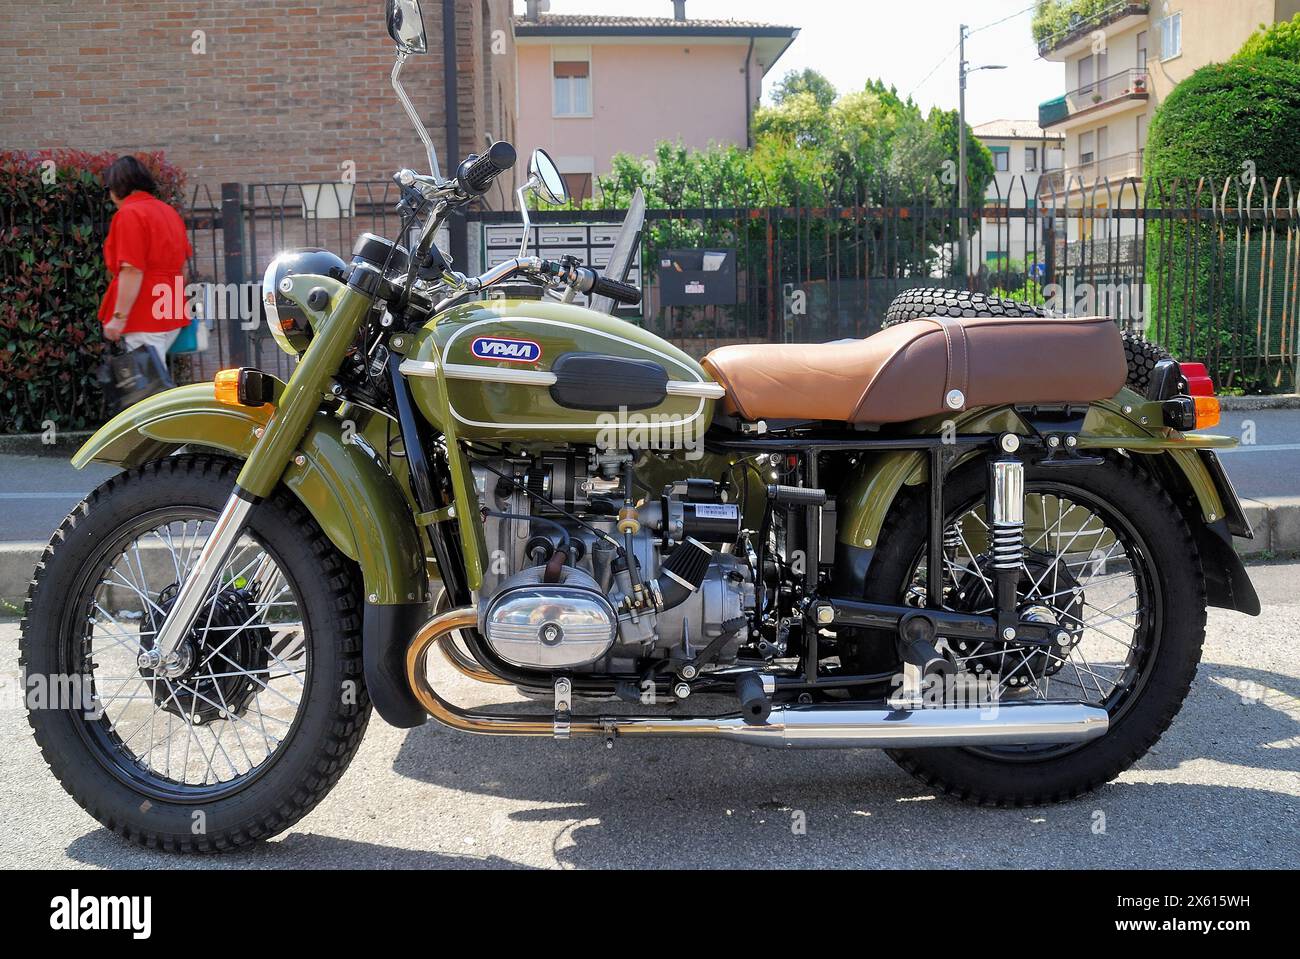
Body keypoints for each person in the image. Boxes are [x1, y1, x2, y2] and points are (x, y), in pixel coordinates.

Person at [98, 156, 192, 386]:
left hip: (144, 312)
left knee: (149, 390)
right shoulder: (168, 212)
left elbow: (132, 270)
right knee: (154, 382)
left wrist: (119, 317)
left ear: (119, 187)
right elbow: (184, 268)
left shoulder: (129, 214)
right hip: (169, 306)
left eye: (110, 188)